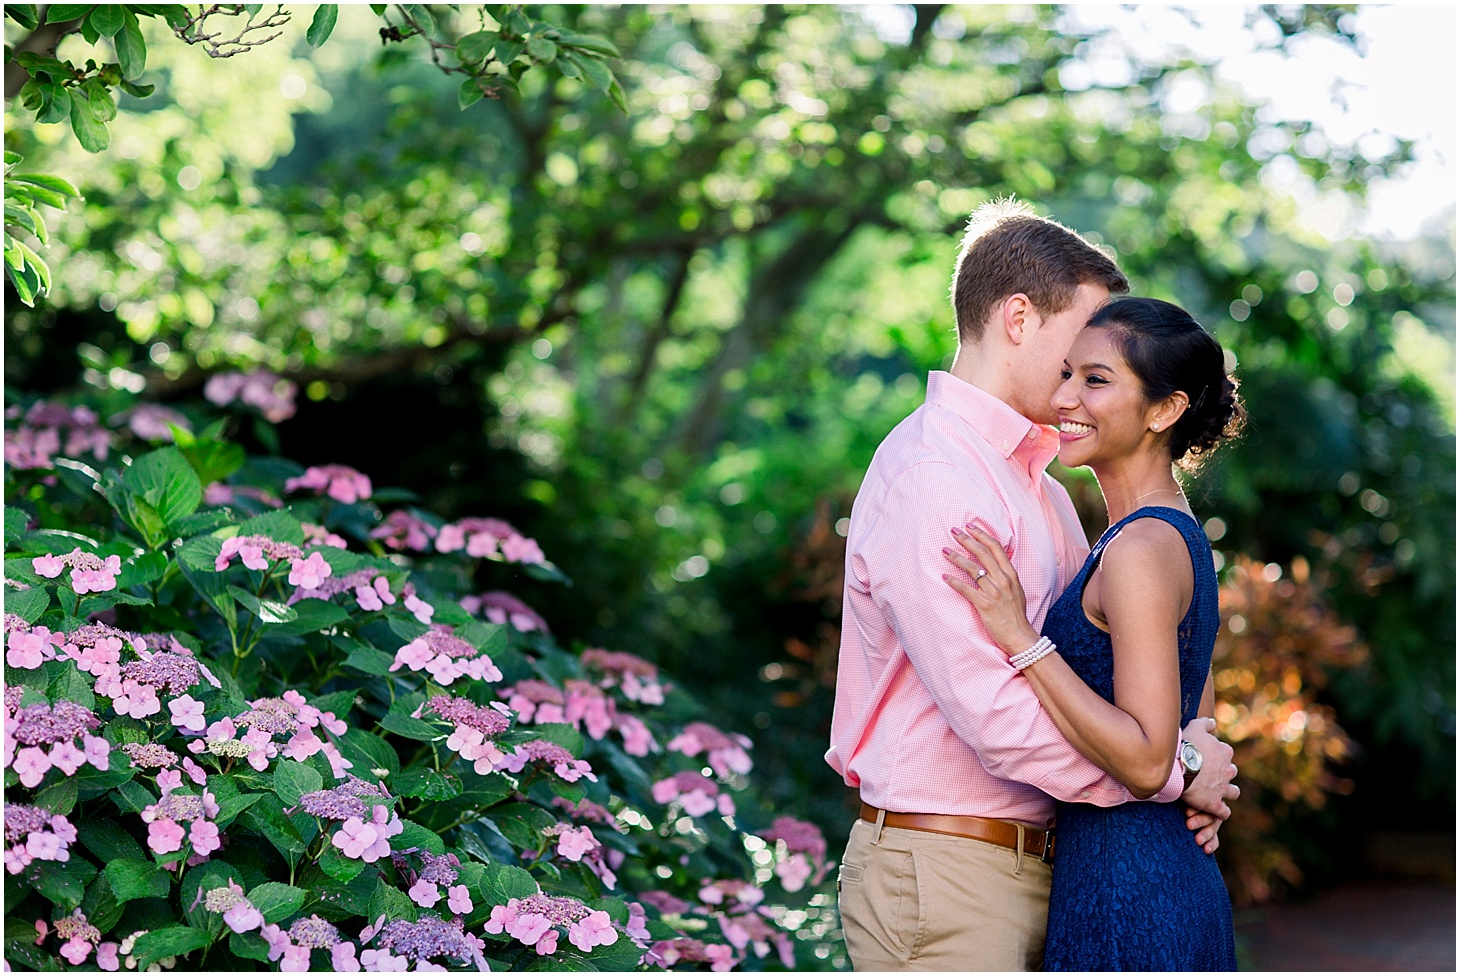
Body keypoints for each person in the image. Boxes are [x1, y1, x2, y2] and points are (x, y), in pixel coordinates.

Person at [826, 200, 1239, 972]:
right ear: (1019, 318)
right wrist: (1175, 775)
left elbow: (1137, 656)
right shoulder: (934, 475)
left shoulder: (1044, 488)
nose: (1078, 376)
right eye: (1075, 346)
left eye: (1099, 367)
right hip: (947, 870)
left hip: (1060, 863)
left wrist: (1196, 745)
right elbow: (997, 715)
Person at [943, 295, 1243, 970]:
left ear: (1165, 410)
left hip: (1125, 897)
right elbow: (1193, 686)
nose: (1065, 397)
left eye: (1096, 380)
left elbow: (1141, 762)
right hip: (1156, 879)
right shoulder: (1170, 531)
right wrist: (1198, 755)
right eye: (1067, 373)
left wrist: (1021, 639)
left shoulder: (1138, 551)